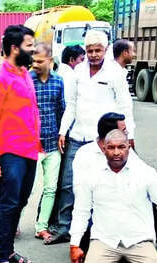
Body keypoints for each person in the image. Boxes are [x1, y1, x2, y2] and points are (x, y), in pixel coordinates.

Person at [55, 30, 135, 237]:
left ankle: (94, 230)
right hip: (77, 137)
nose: (93, 55)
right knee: (68, 183)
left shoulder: (115, 73)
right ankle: (65, 227)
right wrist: (63, 131)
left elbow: (125, 107)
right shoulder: (77, 72)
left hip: (102, 141)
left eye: (98, 50)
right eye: (89, 51)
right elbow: (70, 105)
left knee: (101, 184)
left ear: (106, 49)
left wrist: (129, 135)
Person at [68, 130, 157, 263]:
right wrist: (74, 244)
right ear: (104, 149)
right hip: (104, 241)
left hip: (139, 240)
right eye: (111, 148)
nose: (116, 152)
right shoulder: (92, 175)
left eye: (121, 147)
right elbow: (81, 210)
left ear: (129, 147)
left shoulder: (145, 172)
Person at [0, 25, 40, 263]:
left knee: (21, 202)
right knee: (9, 203)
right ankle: (1, 258)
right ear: (15, 48)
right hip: (9, 151)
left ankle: (9, 249)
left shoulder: (25, 73)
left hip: (29, 151)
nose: (34, 50)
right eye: (29, 45)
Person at [29, 43, 66, 241]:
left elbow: (62, 110)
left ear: (50, 61)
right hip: (30, 146)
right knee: (24, 188)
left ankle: (41, 226)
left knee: (51, 188)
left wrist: (62, 134)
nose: (35, 64)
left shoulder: (58, 82)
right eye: (33, 60)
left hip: (52, 145)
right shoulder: (26, 80)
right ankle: (13, 224)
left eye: (40, 61)